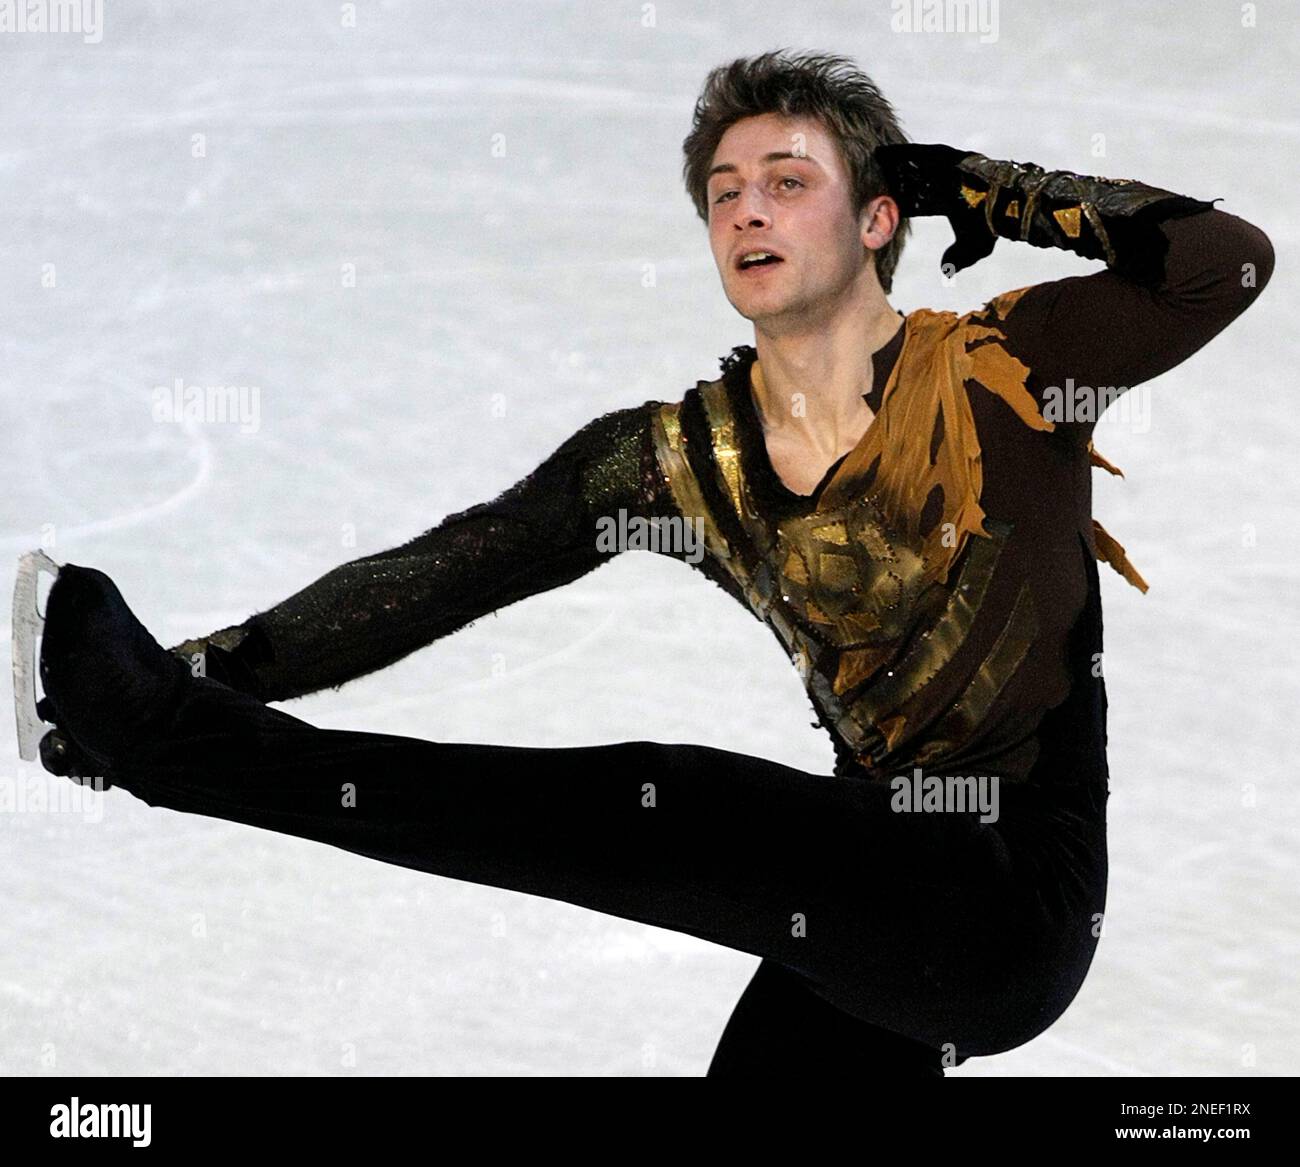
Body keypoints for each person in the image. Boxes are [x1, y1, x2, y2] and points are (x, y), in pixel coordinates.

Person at [33, 49, 1273, 1076]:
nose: (745, 209)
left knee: (660, 798)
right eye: (725, 190)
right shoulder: (675, 462)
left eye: (789, 181)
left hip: (1009, 904)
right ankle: (167, 718)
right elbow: (435, 576)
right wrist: (202, 665)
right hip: (864, 907)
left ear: (878, 215)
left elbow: (1228, 260)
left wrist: (982, 187)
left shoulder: (1009, 372)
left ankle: (172, 743)